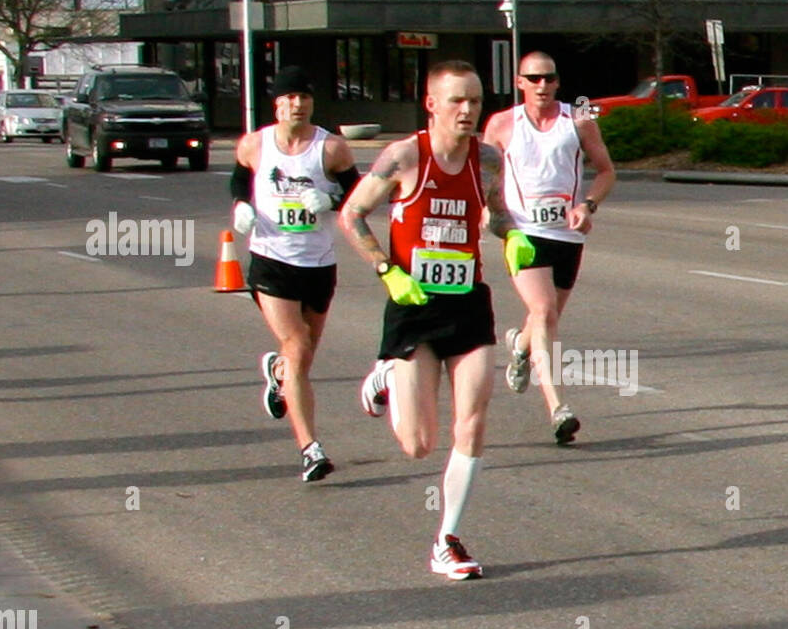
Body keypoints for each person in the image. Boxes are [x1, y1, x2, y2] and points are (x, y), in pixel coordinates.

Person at [338, 60, 508, 579]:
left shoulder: (488, 160)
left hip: (467, 301)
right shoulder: (404, 156)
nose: (468, 110)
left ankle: (447, 540)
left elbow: (497, 213)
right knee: (417, 445)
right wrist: (387, 270)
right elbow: (351, 214)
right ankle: (386, 373)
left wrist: (514, 236)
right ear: (431, 103)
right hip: (413, 305)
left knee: (473, 421)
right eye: (457, 100)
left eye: (476, 100)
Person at [229, 67, 361, 482]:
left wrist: (331, 199)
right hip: (271, 260)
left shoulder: (332, 149)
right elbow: (238, 179)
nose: (297, 105)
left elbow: (358, 198)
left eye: (303, 98)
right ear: (277, 105)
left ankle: (278, 374)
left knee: (302, 360)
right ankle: (311, 449)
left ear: (312, 103)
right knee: (297, 343)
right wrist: (240, 206)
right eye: (288, 98)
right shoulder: (255, 145)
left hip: (318, 263)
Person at [480, 50, 616, 444]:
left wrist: (588, 205)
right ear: (519, 81)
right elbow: (485, 177)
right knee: (543, 312)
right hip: (522, 233)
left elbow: (607, 171)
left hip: (567, 234)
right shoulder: (502, 124)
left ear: (558, 82)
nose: (542, 85)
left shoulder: (578, 120)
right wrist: (489, 213)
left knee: (547, 316)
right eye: (534, 78)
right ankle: (559, 409)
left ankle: (520, 346)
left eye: (549, 78)